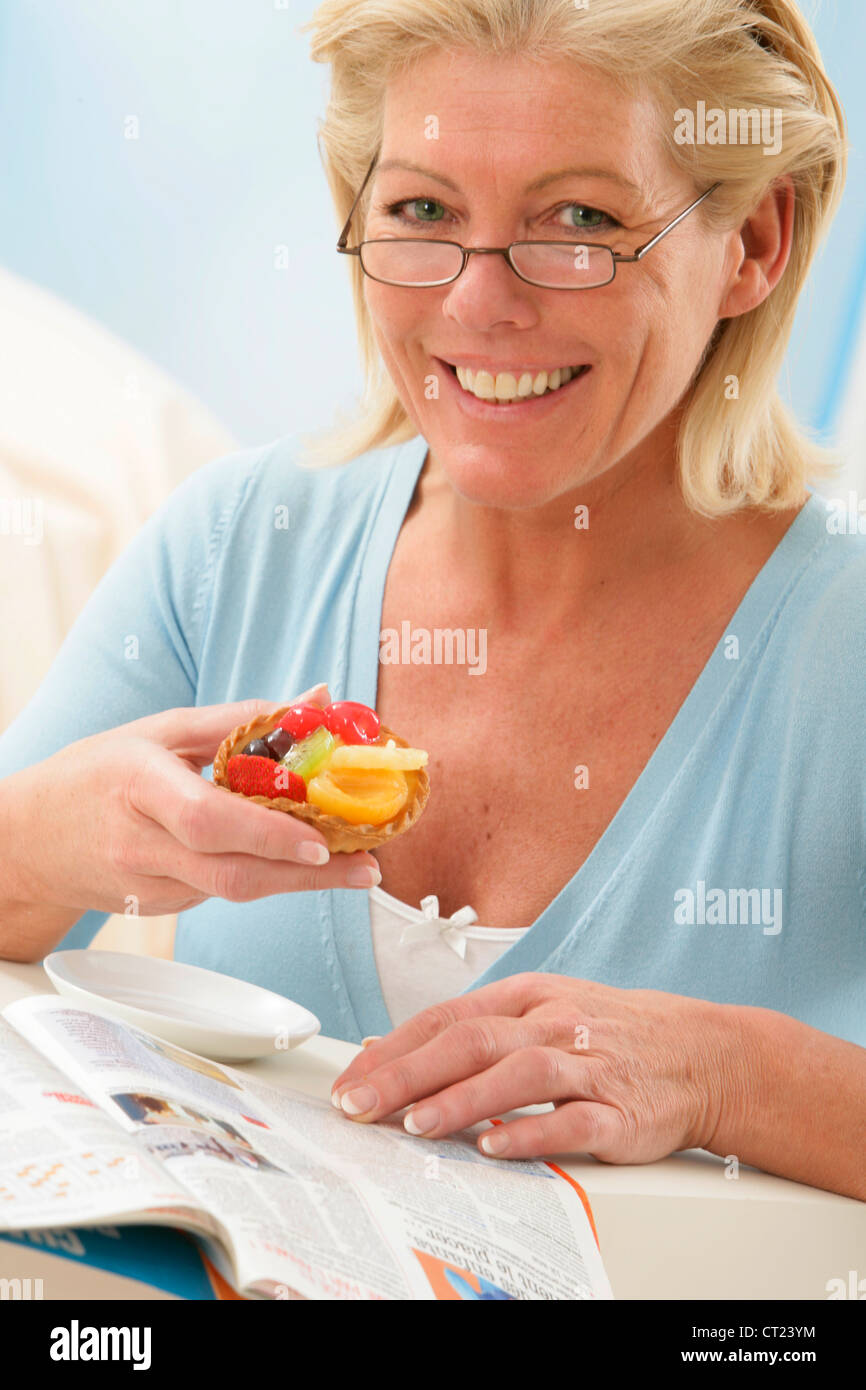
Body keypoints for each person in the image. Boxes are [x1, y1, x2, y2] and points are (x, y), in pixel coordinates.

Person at [0, 0, 863, 1200]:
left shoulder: (843, 651)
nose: (477, 304)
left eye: (578, 220)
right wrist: (45, 838)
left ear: (752, 242)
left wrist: (730, 1076)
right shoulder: (239, 543)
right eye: (421, 211)